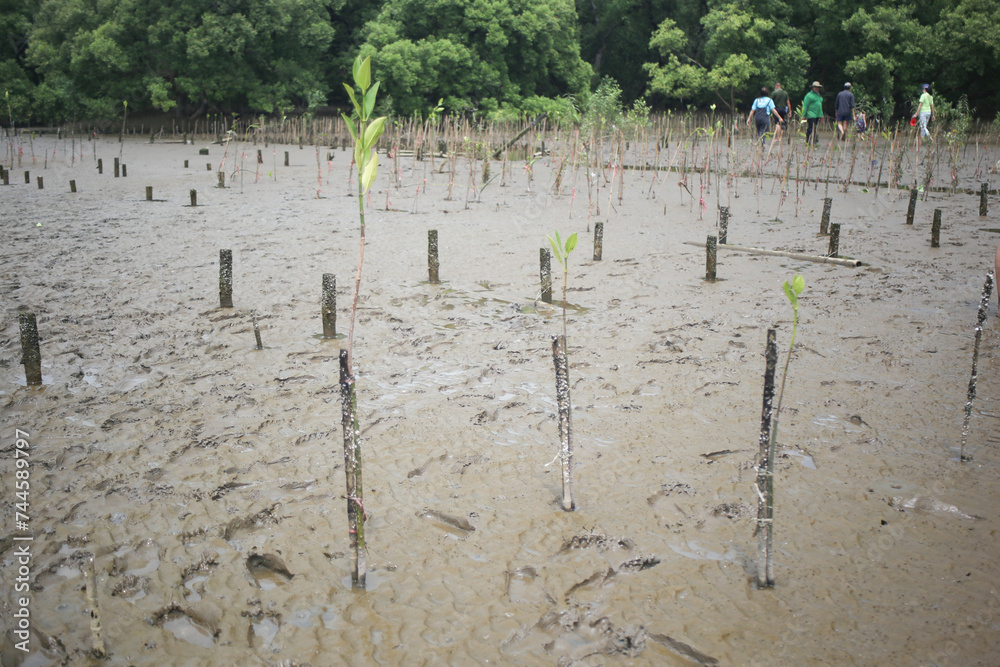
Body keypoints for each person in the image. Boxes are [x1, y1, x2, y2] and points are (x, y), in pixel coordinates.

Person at [803, 81, 824, 146]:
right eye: (815, 87)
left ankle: (813, 140)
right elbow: (805, 105)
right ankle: (808, 140)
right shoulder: (809, 95)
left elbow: (820, 106)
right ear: (812, 88)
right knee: (811, 128)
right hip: (811, 114)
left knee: (815, 128)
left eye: (818, 87)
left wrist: (821, 115)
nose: (817, 88)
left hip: (817, 114)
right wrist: (803, 115)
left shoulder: (818, 96)